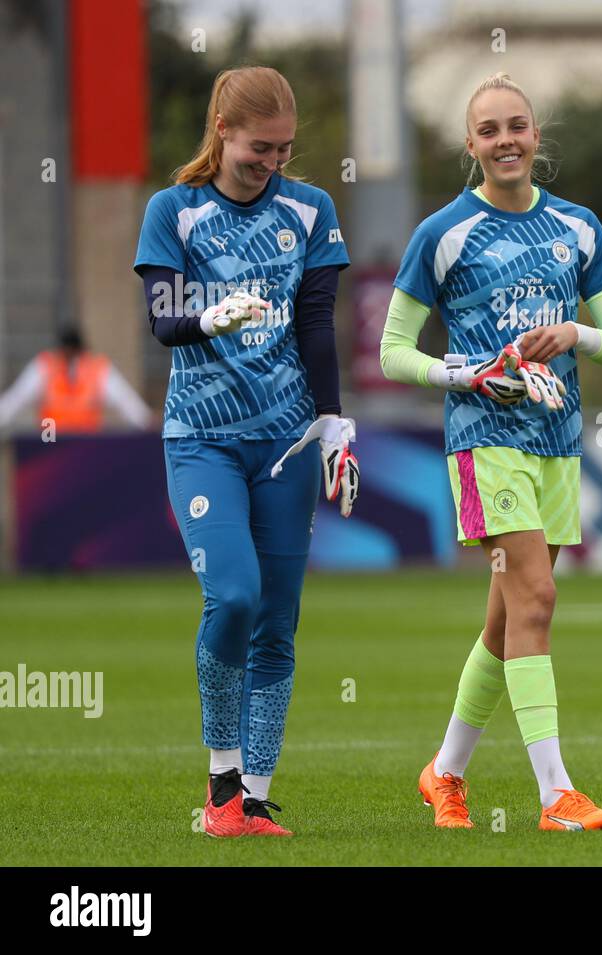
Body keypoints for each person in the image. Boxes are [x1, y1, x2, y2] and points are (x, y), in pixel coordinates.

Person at [380, 72, 602, 831]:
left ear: (536, 136)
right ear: (470, 146)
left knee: (506, 621)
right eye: (489, 130)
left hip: (557, 445)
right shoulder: (442, 233)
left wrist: (575, 334)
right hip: (483, 441)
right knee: (538, 600)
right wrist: (465, 373)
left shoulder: (579, 228)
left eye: (517, 126)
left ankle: (444, 773)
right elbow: (394, 350)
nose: (505, 141)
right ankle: (556, 793)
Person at [133, 66, 357, 838]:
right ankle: (221, 781)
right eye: (262, 147)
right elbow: (161, 319)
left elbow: (319, 324)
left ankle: (251, 801)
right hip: (202, 438)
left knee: (278, 623)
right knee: (233, 596)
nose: (273, 163)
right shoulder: (175, 210)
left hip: (288, 441)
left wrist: (332, 422)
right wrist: (208, 312)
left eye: (286, 151)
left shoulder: (311, 210)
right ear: (223, 129)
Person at [0, 327, 152, 434]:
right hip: (51, 443)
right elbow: (17, 398)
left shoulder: (97, 369)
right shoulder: (44, 367)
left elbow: (125, 400)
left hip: (85, 445)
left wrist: (147, 423)